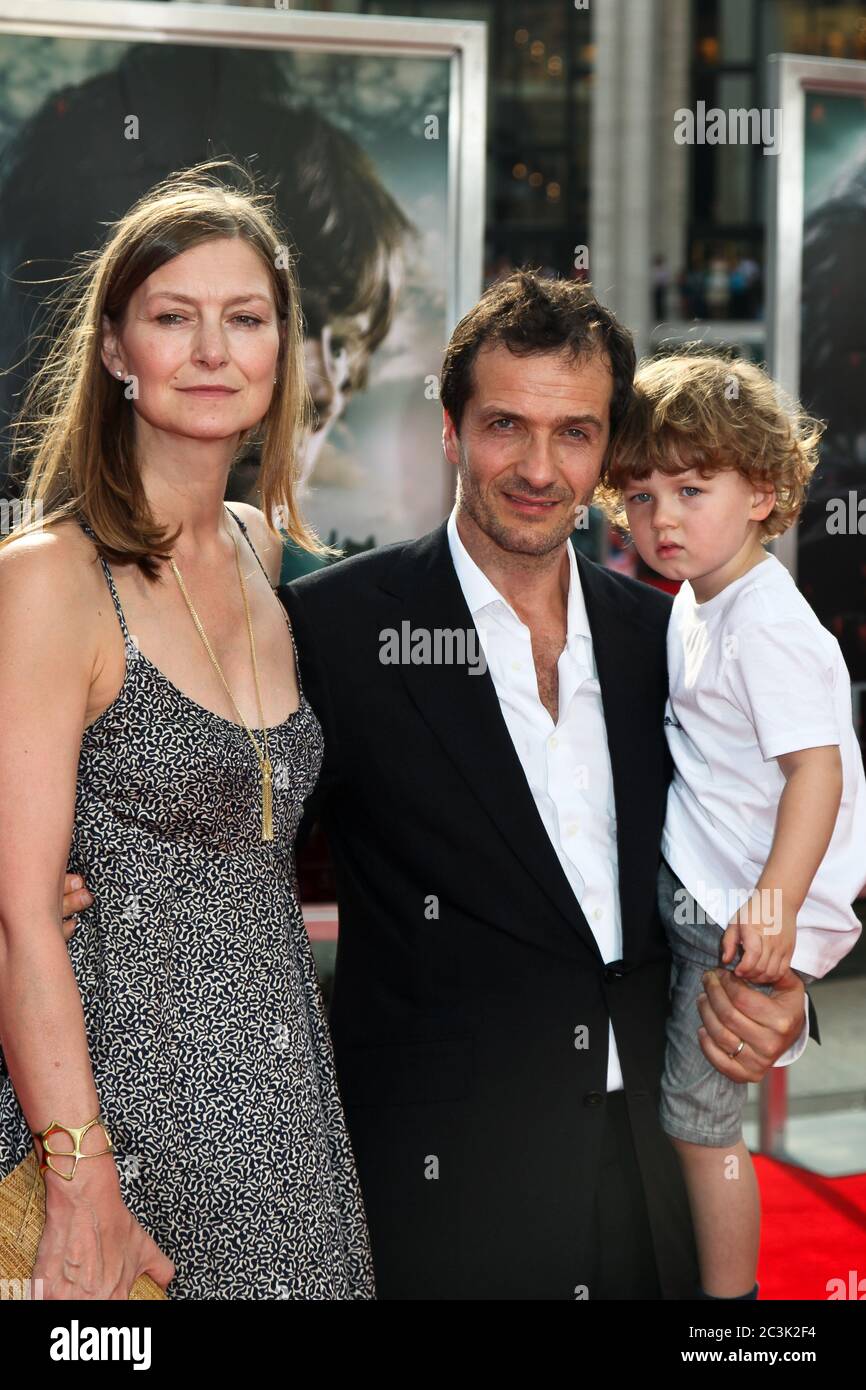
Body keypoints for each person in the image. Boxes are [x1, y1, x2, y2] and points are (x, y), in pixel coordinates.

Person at [63, 271, 815, 1300]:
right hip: (442, 1193)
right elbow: (221, 823)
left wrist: (777, 989)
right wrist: (77, 873)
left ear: (607, 451)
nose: (538, 468)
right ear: (452, 432)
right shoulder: (335, 629)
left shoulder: (666, 640)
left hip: (651, 1173)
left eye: (575, 433)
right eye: (506, 425)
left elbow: (744, 834)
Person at [0, 159, 374, 1300]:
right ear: (117, 348)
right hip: (109, 1106)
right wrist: (81, 1180)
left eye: (245, 318)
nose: (213, 351)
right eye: (175, 318)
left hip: (280, 1101)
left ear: (282, 348)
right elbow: (18, 911)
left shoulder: (266, 551)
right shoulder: (50, 581)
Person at [593, 349, 866, 1300]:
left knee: (701, 1127)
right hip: (706, 892)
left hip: (737, 914)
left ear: (762, 490)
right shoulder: (701, 605)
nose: (661, 518)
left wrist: (776, 905)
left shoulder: (767, 622)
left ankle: (732, 1316)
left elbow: (817, 772)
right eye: (638, 494)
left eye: (691, 489)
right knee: (682, 1121)